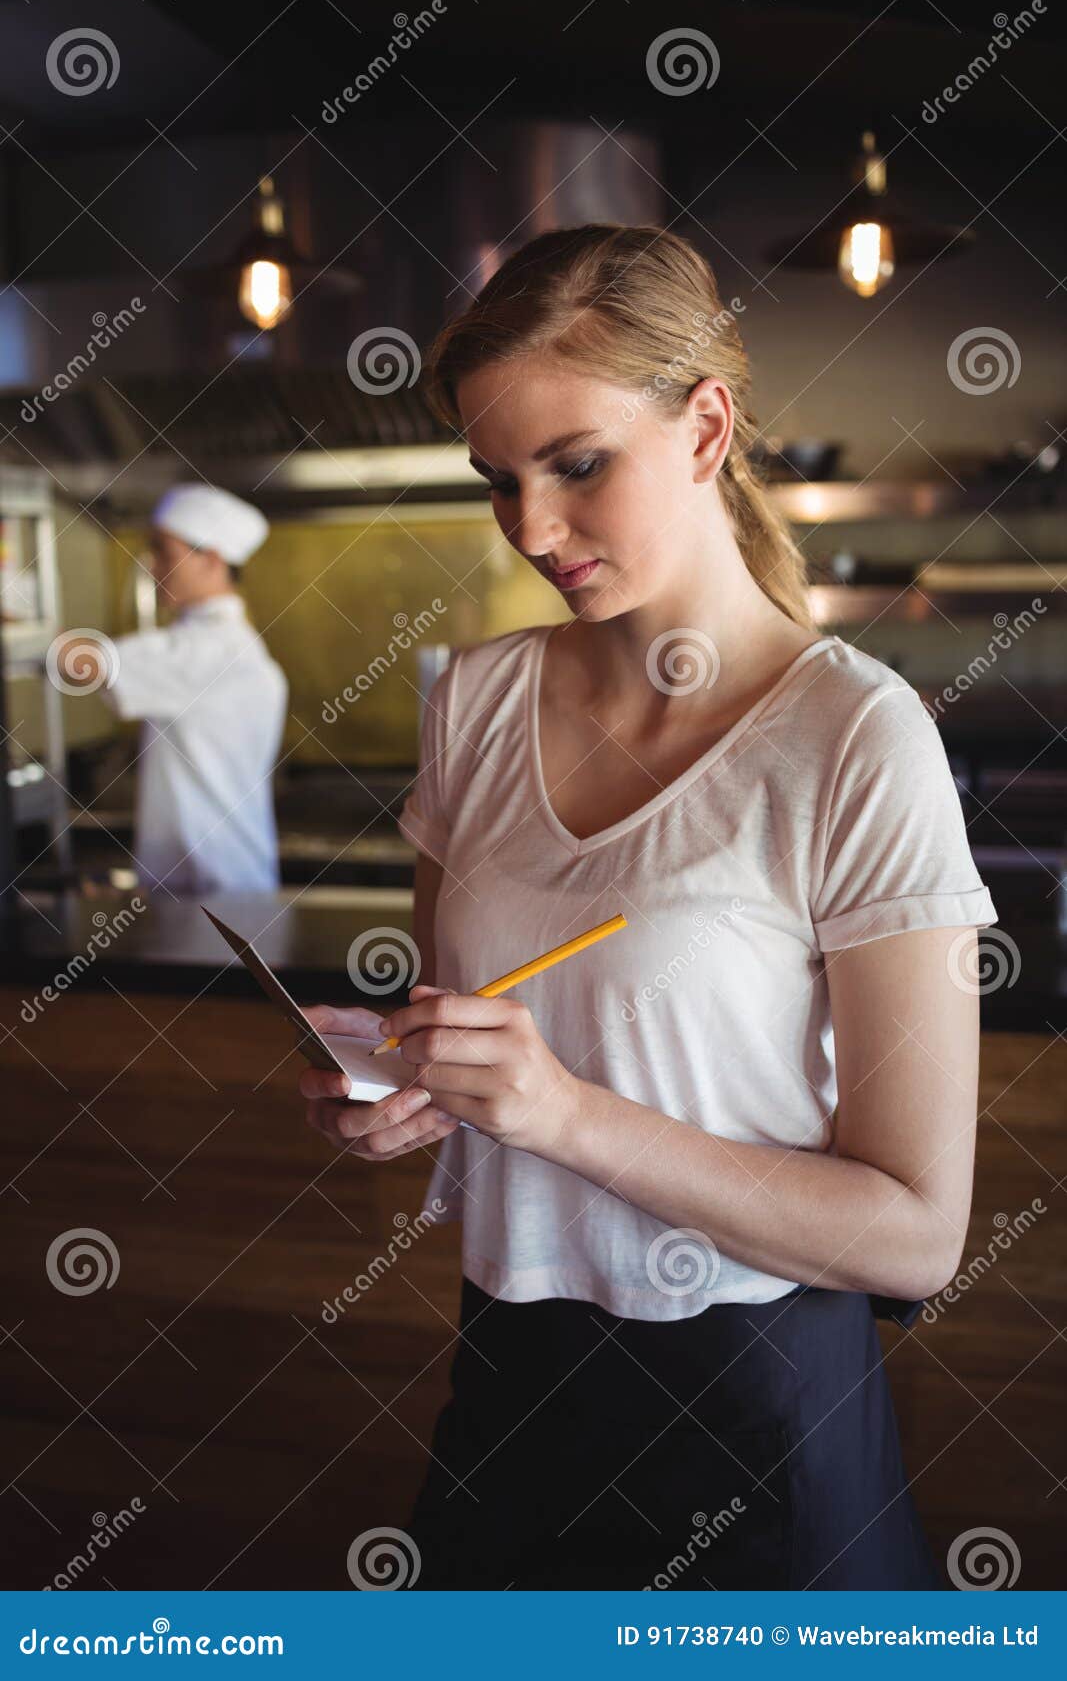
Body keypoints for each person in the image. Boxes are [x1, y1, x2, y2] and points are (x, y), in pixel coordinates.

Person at [299, 226, 997, 1589]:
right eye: (497, 480)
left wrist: (561, 1110)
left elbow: (916, 1228)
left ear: (704, 426)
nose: (531, 528)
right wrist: (403, 1081)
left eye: (576, 465)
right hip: (507, 1378)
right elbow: (490, 1026)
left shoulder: (854, 737)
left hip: (750, 1412)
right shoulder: (476, 700)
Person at [104, 483, 288, 897]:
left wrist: (27, 632)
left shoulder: (211, 650)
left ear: (212, 559)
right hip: (219, 890)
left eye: (164, 552)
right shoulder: (220, 643)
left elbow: (88, 664)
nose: (153, 568)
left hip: (214, 895)